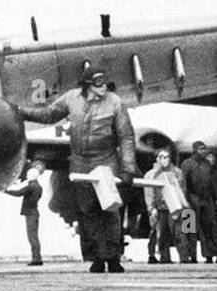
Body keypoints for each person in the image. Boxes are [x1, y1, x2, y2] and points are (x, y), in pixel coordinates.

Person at [19, 69, 136, 273]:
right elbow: (49, 114)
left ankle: (114, 257)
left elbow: (126, 136)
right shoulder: (71, 98)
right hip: (80, 163)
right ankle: (97, 257)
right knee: (88, 211)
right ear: (87, 84)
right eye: (98, 83)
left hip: (106, 160)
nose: (103, 87)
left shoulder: (115, 102)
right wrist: (21, 111)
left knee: (110, 210)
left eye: (105, 83)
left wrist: (128, 169)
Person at [181, 142, 217, 263]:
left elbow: (211, 183)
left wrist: (216, 198)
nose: (203, 151)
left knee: (211, 226)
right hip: (191, 198)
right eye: (201, 149)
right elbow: (183, 182)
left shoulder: (207, 164)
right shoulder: (187, 164)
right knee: (189, 228)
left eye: (204, 149)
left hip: (206, 199)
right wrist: (184, 200)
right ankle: (191, 255)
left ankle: (212, 254)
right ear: (195, 150)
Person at [144, 149, 180, 264]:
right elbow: (149, 192)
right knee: (154, 231)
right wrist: (151, 207)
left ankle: (166, 256)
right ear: (157, 159)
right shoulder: (150, 175)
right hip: (157, 207)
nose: (166, 160)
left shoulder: (176, 172)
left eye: (167, 157)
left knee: (169, 232)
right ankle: (151, 254)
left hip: (171, 207)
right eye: (162, 157)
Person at [4, 164, 45, 265]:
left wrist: (5, 191)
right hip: (34, 212)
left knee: (32, 237)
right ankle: (37, 258)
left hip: (30, 214)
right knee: (34, 236)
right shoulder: (38, 187)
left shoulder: (31, 187)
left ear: (31, 176)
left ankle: (36, 259)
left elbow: (18, 193)